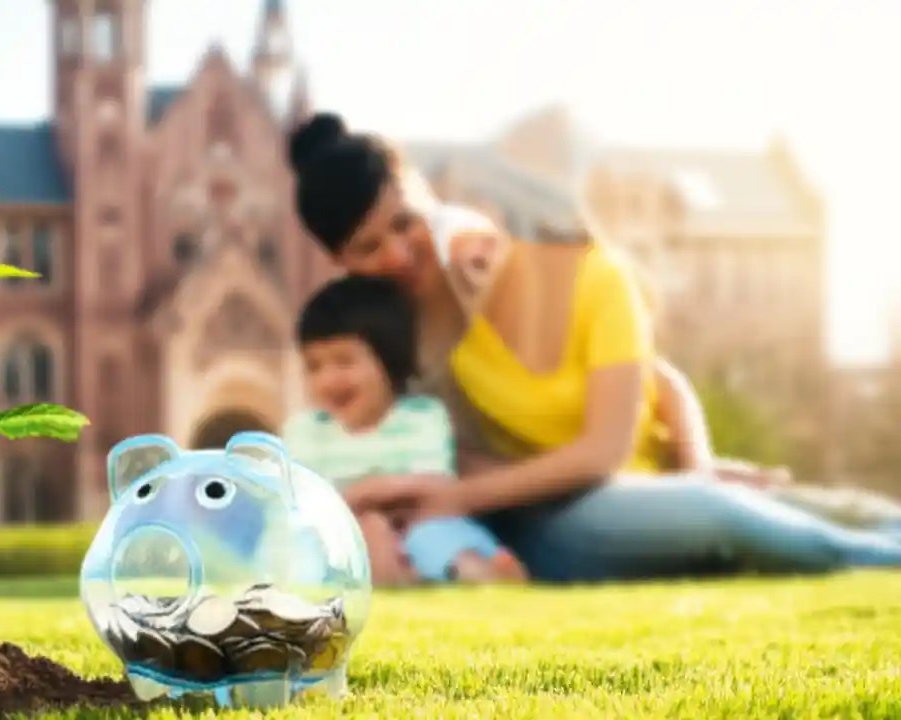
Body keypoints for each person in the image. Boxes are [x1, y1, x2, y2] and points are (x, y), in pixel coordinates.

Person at [285, 111, 901, 582]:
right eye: (368, 248)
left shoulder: (583, 278)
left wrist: (699, 462)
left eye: (404, 222)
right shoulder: (400, 340)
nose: (397, 253)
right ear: (339, 262)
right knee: (732, 517)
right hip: (550, 523)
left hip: (627, 481)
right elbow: (443, 452)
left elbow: (650, 387)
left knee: (817, 504)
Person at [280, 274, 528, 587]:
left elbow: (432, 485)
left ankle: (475, 571)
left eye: (344, 362)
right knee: (309, 549)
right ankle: (395, 574)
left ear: (388, 361)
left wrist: (366, 496)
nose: (328, 380)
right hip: (336, 537)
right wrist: (369, 514)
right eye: (314, 366)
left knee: (436, 535)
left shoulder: (421, 418)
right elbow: (302, 507)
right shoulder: (305, 433)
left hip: (414, 527)